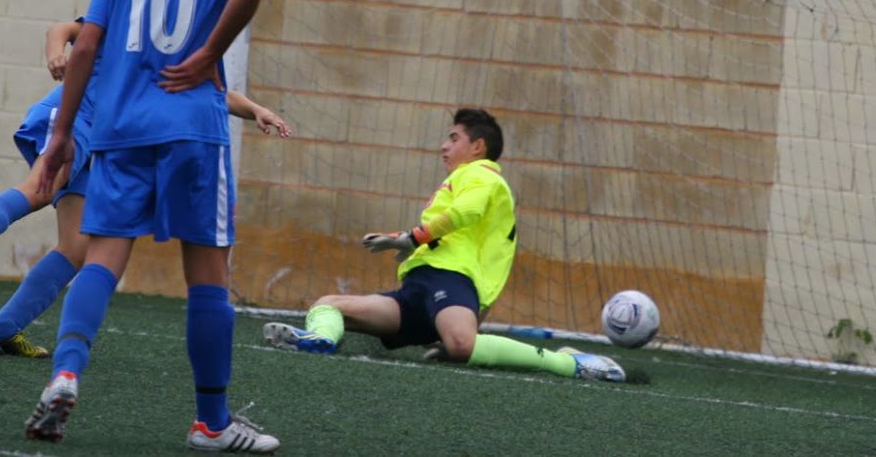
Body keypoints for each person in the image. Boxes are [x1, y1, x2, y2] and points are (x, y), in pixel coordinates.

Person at [23, 0, 278, 452]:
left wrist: (61, 135)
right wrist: (210, 55)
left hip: (120, 129)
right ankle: (211, 424)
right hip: (193, 129)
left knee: (102, 259)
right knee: (207, 275)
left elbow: (84, 46)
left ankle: (64, 374)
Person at [0, 19, 289, 359]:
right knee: (40, 188)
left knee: (76, 247)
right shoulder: (128, 18)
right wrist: (56, 56)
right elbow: (61, 29)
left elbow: (213, 95)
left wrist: (257, 109)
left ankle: (2, 331)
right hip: (70, 119)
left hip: (95, 141)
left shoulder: (170, 56)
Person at [263, 107, 627, 384]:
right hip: (417, 289)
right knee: (329, 305)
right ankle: (321, 339)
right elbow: (450, 229)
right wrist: (401, 241)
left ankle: (571, 363)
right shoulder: (461, 180)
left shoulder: (482, 174)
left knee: (461, 344)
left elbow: (464, 214)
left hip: (450, 281)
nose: (444, 145)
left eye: (453, 138)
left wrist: (411, 237)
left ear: (478, 146)